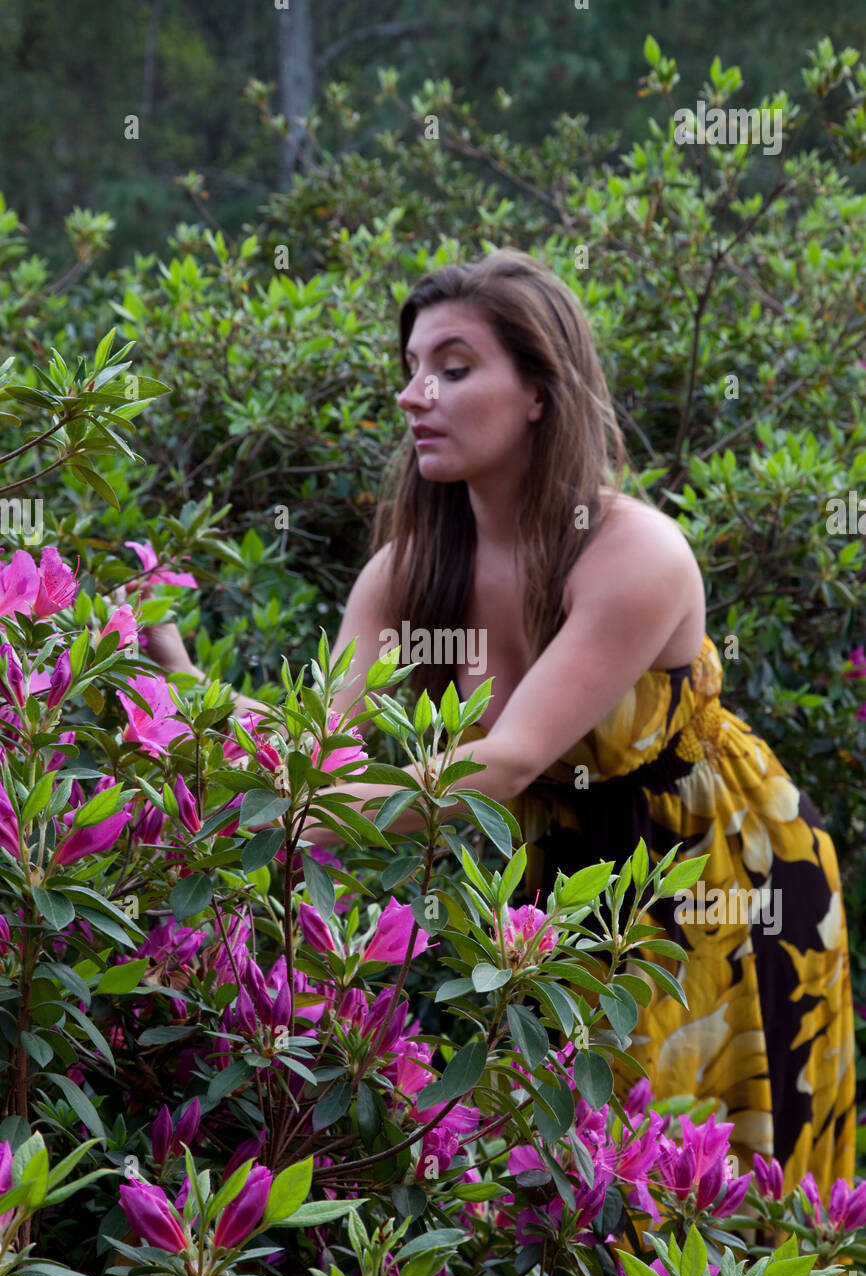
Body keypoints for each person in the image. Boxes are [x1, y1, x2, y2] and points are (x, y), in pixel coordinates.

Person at [146, 248, 856, 1197]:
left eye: (452, 366)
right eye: (409, 368)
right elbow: (318, 746)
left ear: (537, 392)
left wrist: (300, 811)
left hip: (713, 875)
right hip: (546, 892)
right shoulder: (408, 570)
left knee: (709, 1187)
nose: (414, 394)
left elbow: (510, 761)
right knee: (558, 1183)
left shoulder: (632, 552)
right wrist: (174, 681)